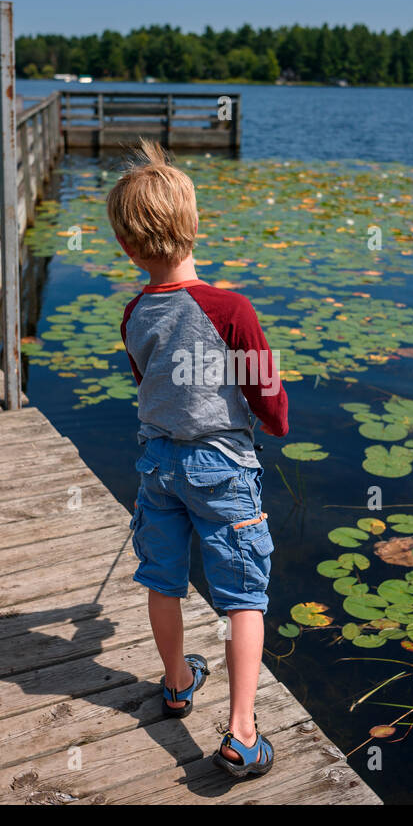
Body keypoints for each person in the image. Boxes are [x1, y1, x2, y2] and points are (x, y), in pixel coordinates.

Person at [109, 139, 289, 778]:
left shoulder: (134, 311)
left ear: (128, 248)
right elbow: (267, 396)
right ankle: (242, 733)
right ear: (194, 227)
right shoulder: (229, 309)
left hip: (158, 466)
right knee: (243, 596)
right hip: (222, 468)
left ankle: (179, 682)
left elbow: (145, 381)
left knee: (163, 577)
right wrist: (276, 422)